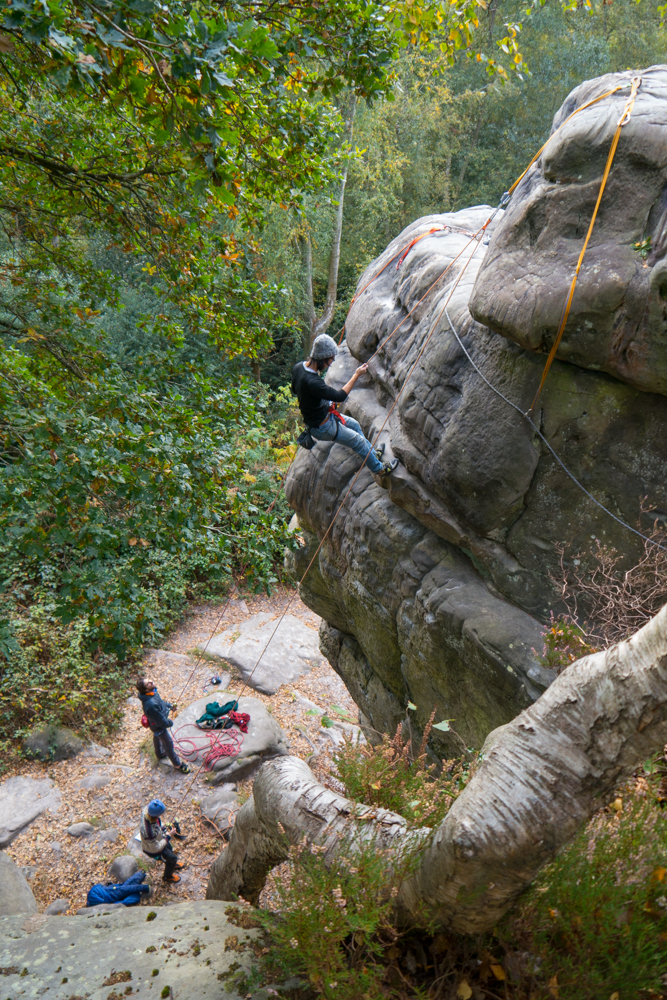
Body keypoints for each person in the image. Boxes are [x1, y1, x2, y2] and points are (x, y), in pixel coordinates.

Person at [291, 333, 399, 477]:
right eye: (330, 359)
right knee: (358, 442)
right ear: (322, 358)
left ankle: (372, 454)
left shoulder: (298, 368)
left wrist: (322, 403)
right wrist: (356, 374)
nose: (331, 362)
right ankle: (378, 469)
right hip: (323, 427)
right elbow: (340, 396)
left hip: (322, 419)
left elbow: (296, 390)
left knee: (354, 425)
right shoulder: (313, 382)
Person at [136, 677, 191, 774]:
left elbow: (161, 703)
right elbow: (161, 722)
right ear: (146, 689)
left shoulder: (151, 693)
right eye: (148, 683)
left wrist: (169, 706)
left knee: (157, 735)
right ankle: (177, 764)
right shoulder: (150, 704)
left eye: (149, 680)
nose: (151, 681)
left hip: (155, 724)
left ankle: (160, 754)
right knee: (168, 743)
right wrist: (169, 722)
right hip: (158, 726)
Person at [139, 798, 186, 883]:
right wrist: (168, 836)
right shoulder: (149, 831)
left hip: (159, 839)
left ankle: (172, 865)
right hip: (153, 850)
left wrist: (164, 830)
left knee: (169, 847)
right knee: (172, 858)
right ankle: (167, 877)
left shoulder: (147, 809)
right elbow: (156, 848)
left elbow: (158, 823)